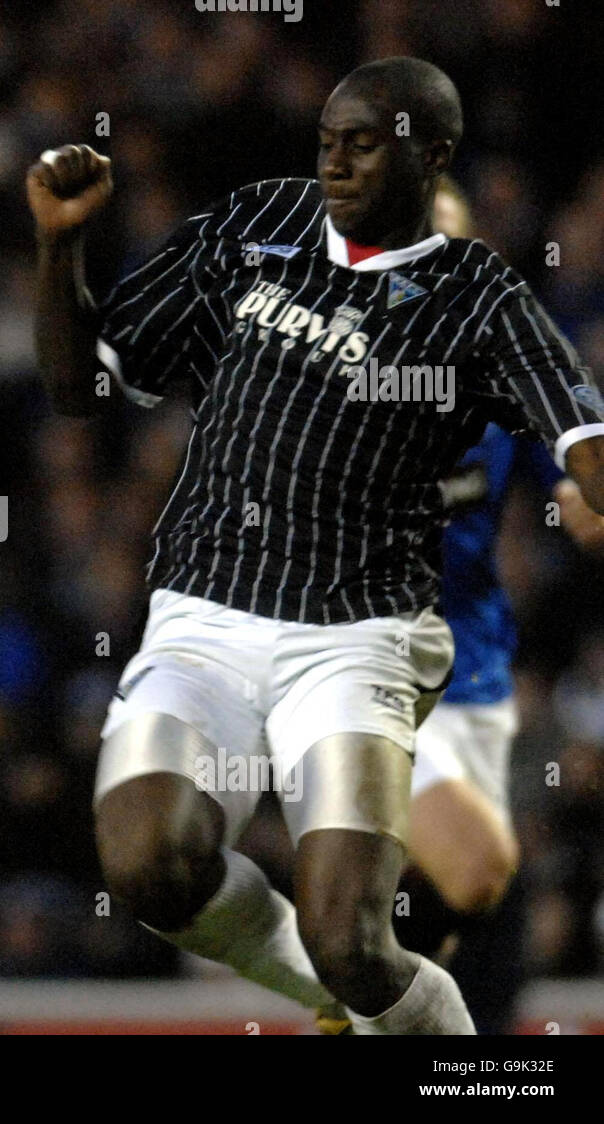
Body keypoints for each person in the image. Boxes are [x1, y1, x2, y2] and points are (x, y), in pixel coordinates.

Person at [27, 55, 604, 1034]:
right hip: (203, 611)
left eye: (364, 142)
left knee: (354, 933)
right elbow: (77, 389)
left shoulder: (483, 299)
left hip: (358, 632)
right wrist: (58, 249)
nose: (335, 161)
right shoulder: (256, 221)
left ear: (434, 155)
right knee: (143, 860)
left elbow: (586, 451)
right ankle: (323, 998)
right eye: (327, 139)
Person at [400, 178, 604, 1032]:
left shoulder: (495, 389)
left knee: (488, 898)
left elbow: (573, 481)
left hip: (468, 680)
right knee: (457, 881)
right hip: (354, 669)